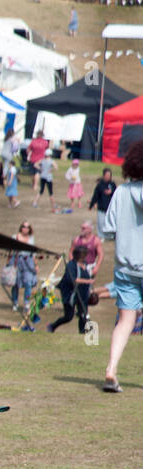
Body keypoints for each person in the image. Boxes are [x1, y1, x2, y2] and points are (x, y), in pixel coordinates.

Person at [100, 141, 143, 392]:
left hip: (125, 268)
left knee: (125, 320)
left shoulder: (122, 192)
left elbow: (107, 229)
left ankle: (111, 369)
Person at [47, 245, 94, 335]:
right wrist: (88, 281)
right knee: (68, 316)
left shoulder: (85, 264)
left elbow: (87, 277)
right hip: (70, 293)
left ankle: (82, 332)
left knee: (83, 313)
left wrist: (90, 288)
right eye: (84, 254)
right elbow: (73, 279)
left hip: (82, 292)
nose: (85, 256)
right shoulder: (71, 265)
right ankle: (52, 326)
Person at [9, 221, 38, 311]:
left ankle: (26, 303)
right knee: (15, 283)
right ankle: (15, 302)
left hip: (28, 262)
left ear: (30, 229)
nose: (25, 229)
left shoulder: (31, 239)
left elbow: (33, 253)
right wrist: (8, 264)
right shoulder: (15, 237)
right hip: (16, 261)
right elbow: (10, 251)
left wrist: (36, 265)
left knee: (28, 283)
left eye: (27, 227)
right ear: (21, 228)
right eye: (23, 226)